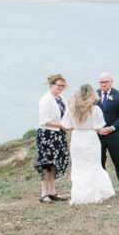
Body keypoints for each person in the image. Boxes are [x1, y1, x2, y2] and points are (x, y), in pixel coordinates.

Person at [62, 84, 115, 205]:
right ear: (91, 94)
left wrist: (77, 126)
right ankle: (94, 194)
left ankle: (79, 195)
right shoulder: (95, 109)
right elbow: (99, 126)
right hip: (90, 139)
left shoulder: (71, 109)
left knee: (79, 168)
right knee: (93, 165)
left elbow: (66, 126)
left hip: (76, 139)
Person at [35, 74, 70, 204]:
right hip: (47, 134)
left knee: (54, 163)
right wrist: (61, 125)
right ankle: (44, 193)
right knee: (46, 164)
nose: (61, 88)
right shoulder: (45, 99)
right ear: (52, 85)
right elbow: (44, 120)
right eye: (59, 85)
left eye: (63, 86)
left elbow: (66, 113)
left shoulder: (60, 98)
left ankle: (53, 191)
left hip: (58, 134)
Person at [97, 72, 119, 195]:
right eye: (101, 82)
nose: (104, 84)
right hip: (99, 134)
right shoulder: (94, 95)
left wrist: (112, 128)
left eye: (106, 82)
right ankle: (102, 187)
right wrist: (97, 129)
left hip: (115, 135)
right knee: (99, 161)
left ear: (111, 81)